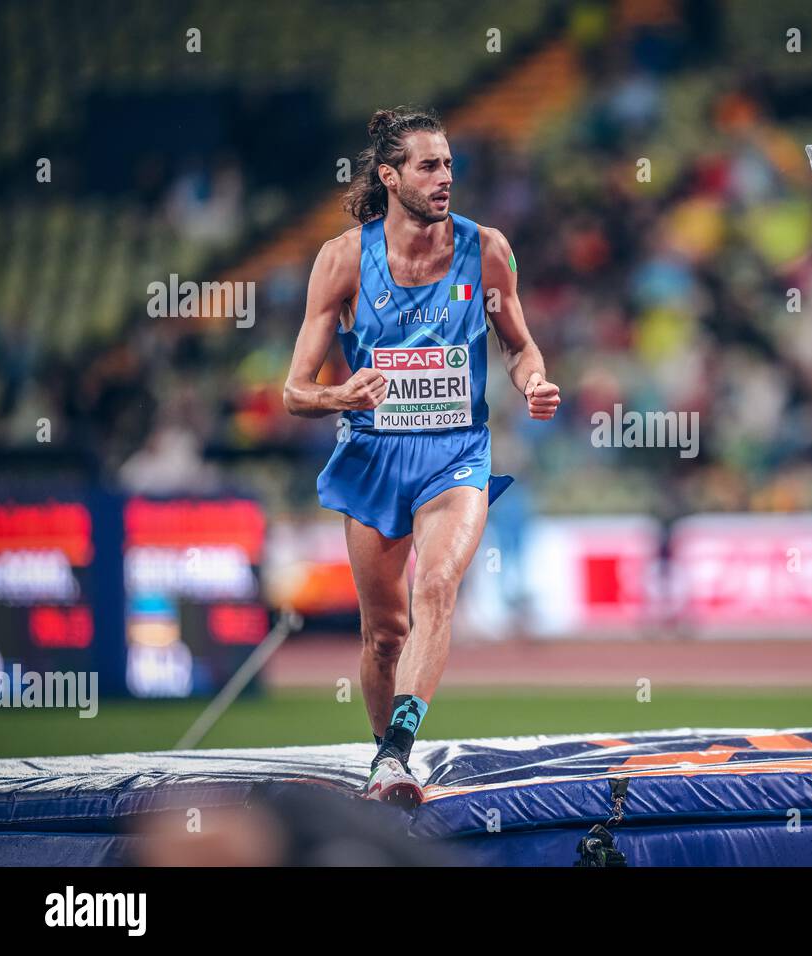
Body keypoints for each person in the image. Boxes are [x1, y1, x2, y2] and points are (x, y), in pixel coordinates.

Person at [283, 107, 560, 805]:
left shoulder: (486, 249)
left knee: (436, 587)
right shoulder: (343, 260)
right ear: (390, 176)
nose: (445, 178)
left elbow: (519, 343)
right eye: (429, 166)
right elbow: (293, 391)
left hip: (455, 456)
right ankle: (387, 764)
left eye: (449, 165)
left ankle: (398, 755)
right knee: (384, 635)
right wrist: (342, 395)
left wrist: (533, 381)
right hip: (372, 459)